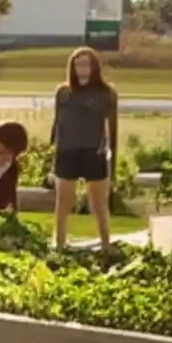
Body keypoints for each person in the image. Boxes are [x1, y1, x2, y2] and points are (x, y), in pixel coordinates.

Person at [50, 47, 117, 250]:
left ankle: (106, 243)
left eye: (86, 64)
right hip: (67, 152)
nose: (82, 68)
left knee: (98, 203)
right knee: (63, 203)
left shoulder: (106, 93)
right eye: (78, 64)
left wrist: (112, 162)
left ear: (94, 67)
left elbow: (113, 129)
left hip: (93, 153)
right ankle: (59, 243)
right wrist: (52, 156)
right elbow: (57, 124)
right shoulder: (63, 93)